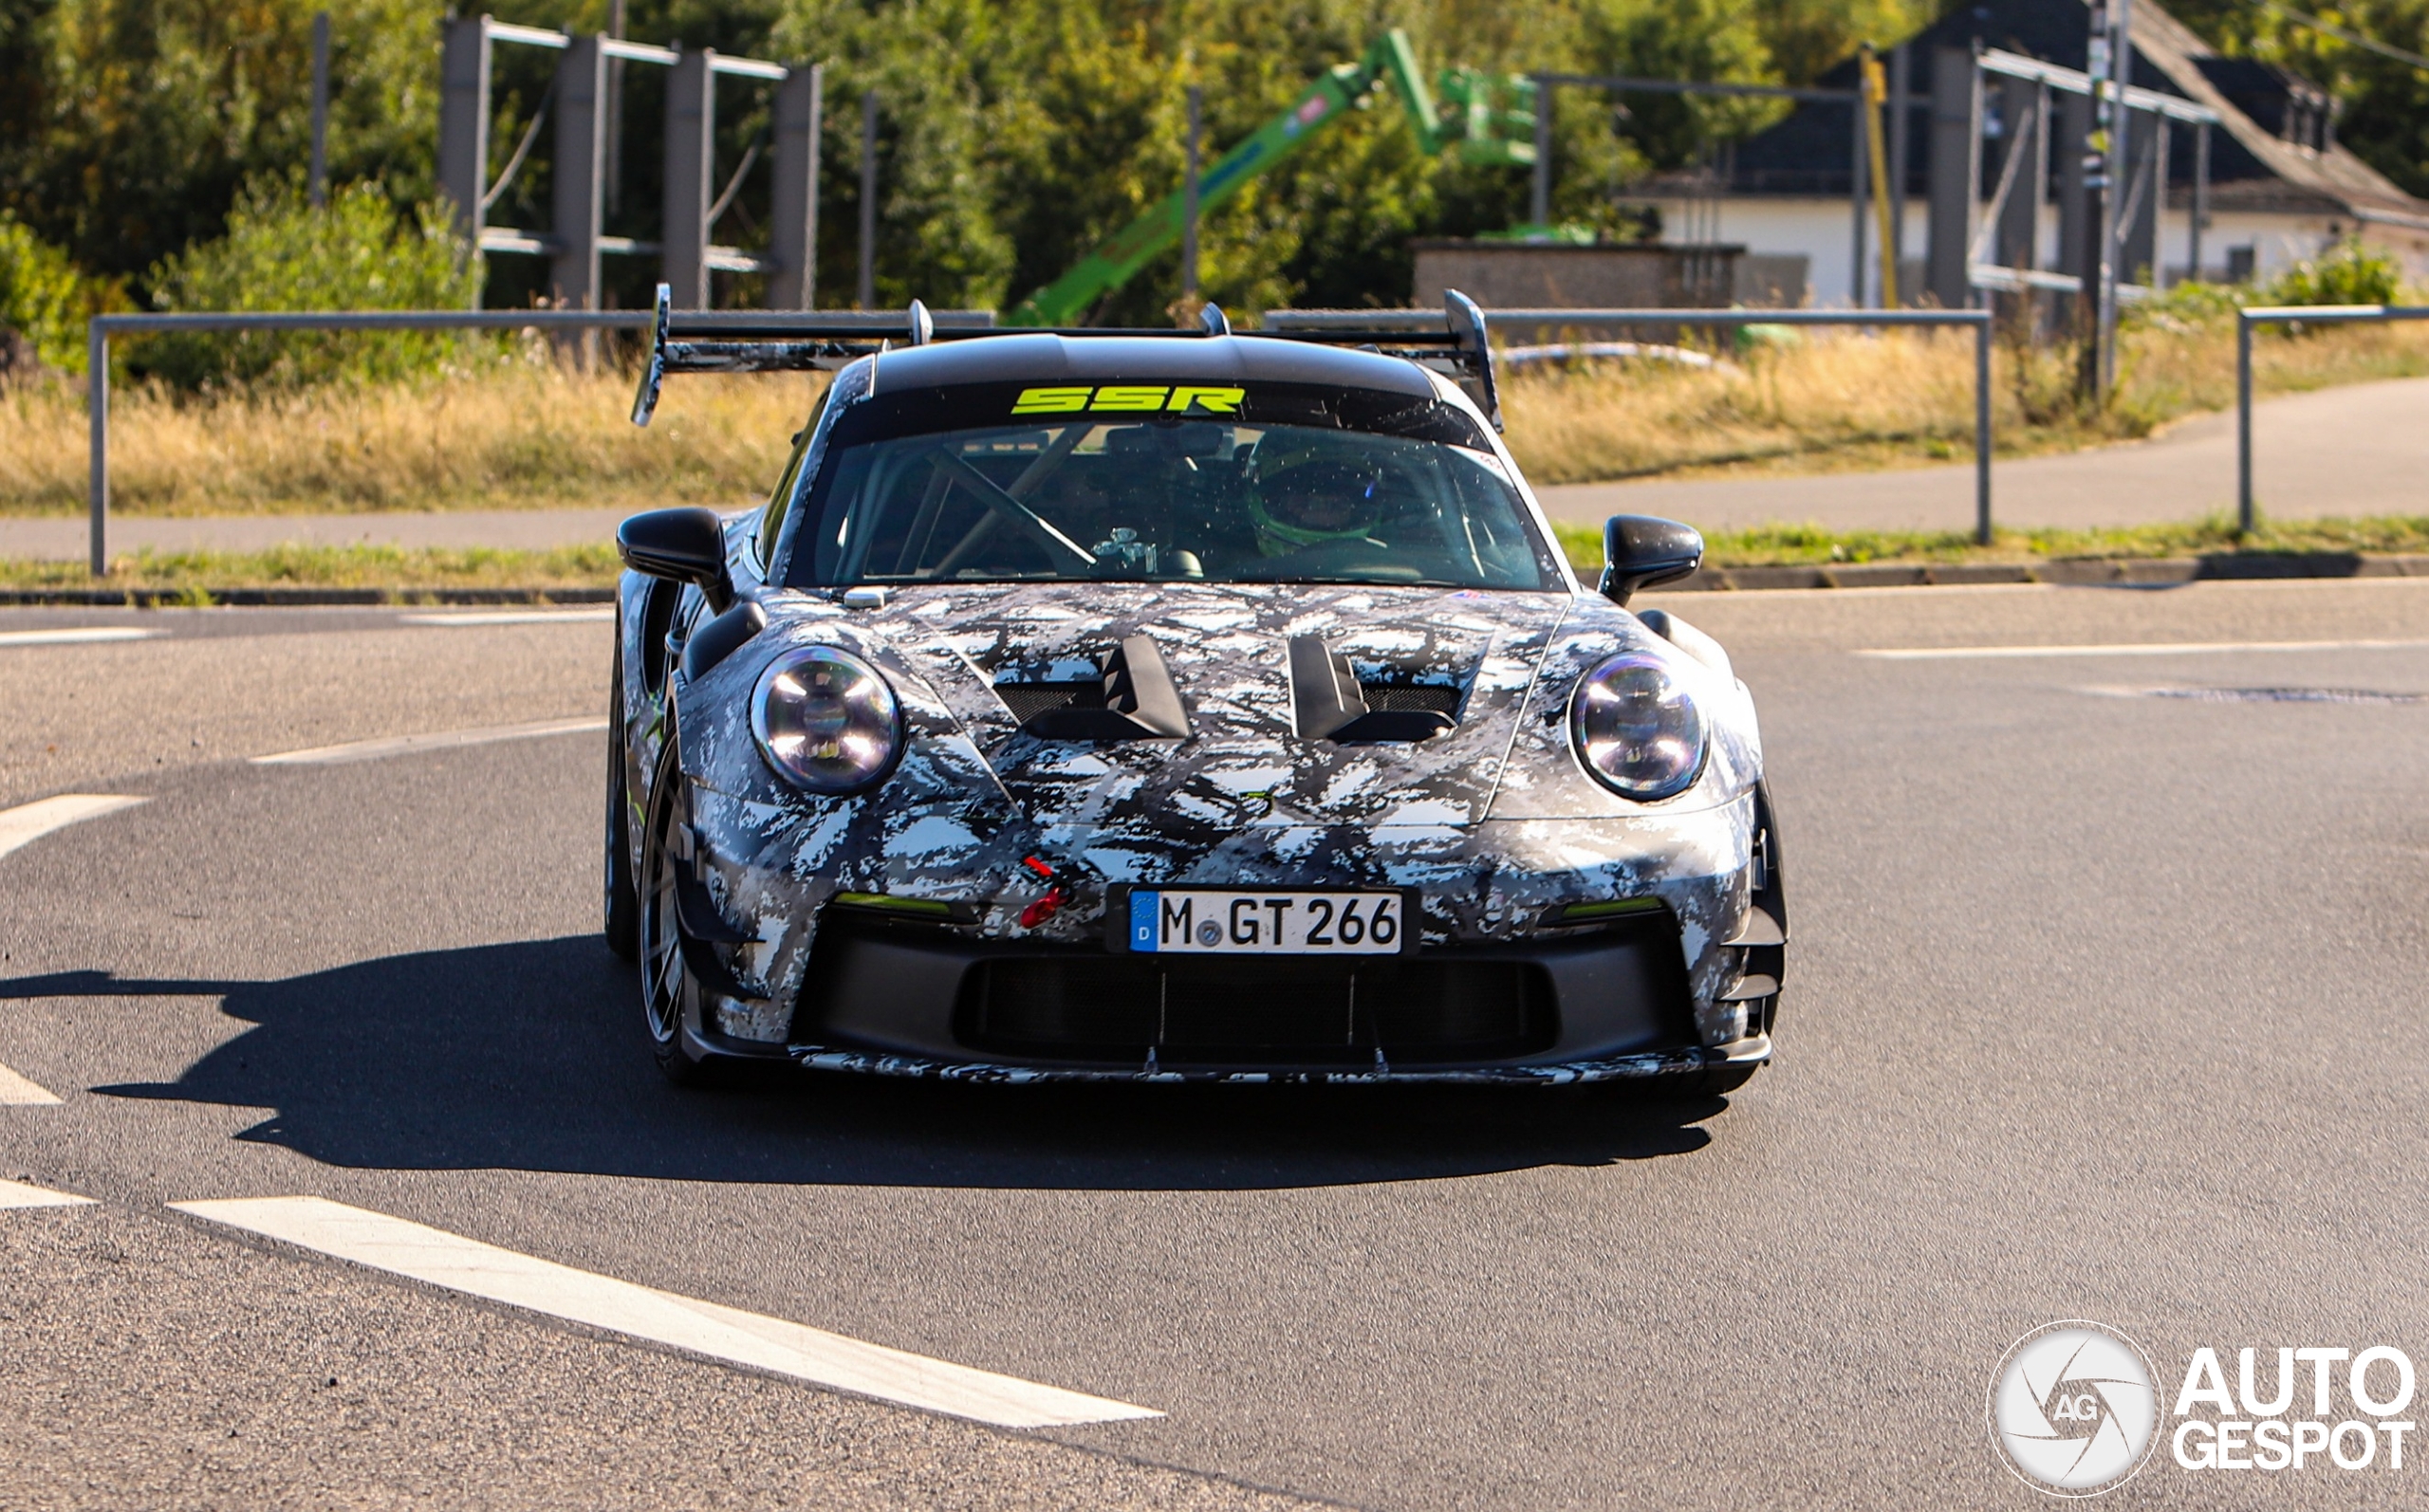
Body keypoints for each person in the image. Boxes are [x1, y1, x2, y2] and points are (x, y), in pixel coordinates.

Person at [1243, 439, 1388, 557]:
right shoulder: (1227, 568)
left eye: (1339, 488)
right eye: (1302, 487)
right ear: (1272, 498)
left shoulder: (1395, 562)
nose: (1323, 501)